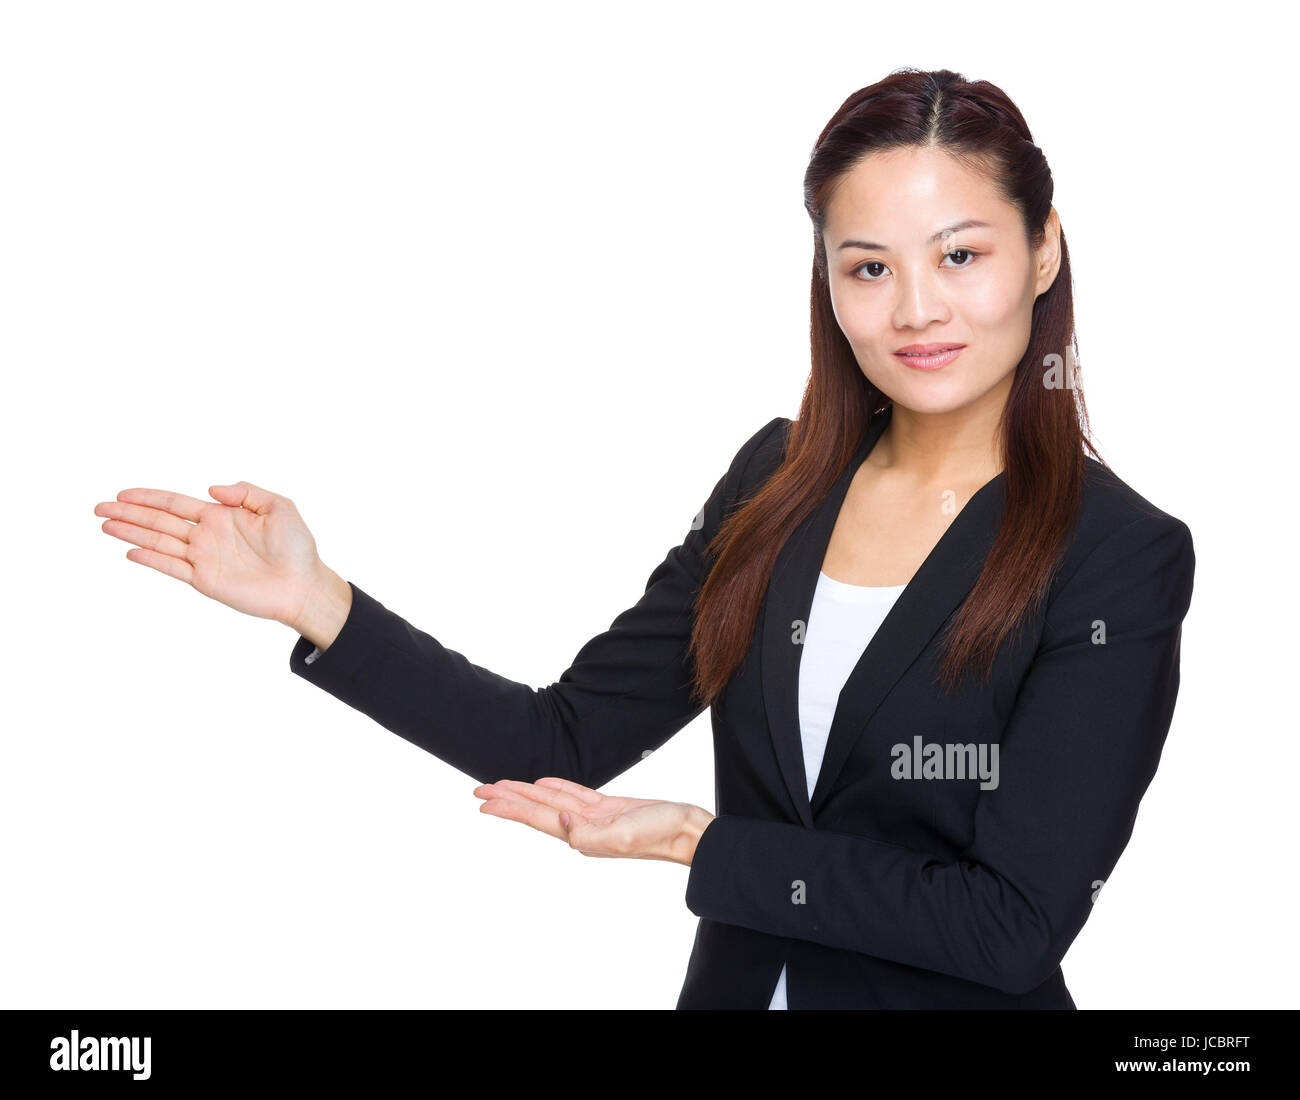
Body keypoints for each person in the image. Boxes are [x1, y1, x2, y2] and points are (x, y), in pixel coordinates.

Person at [93, 68, 1195, 1009]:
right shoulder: (778, 479)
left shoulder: (1115, 554)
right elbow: (562, 739)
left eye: (960, 255)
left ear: (1042, 251)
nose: (914, 309)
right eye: (868, 266)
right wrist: (317, 600)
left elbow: (1009, 923)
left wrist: (692, 840)